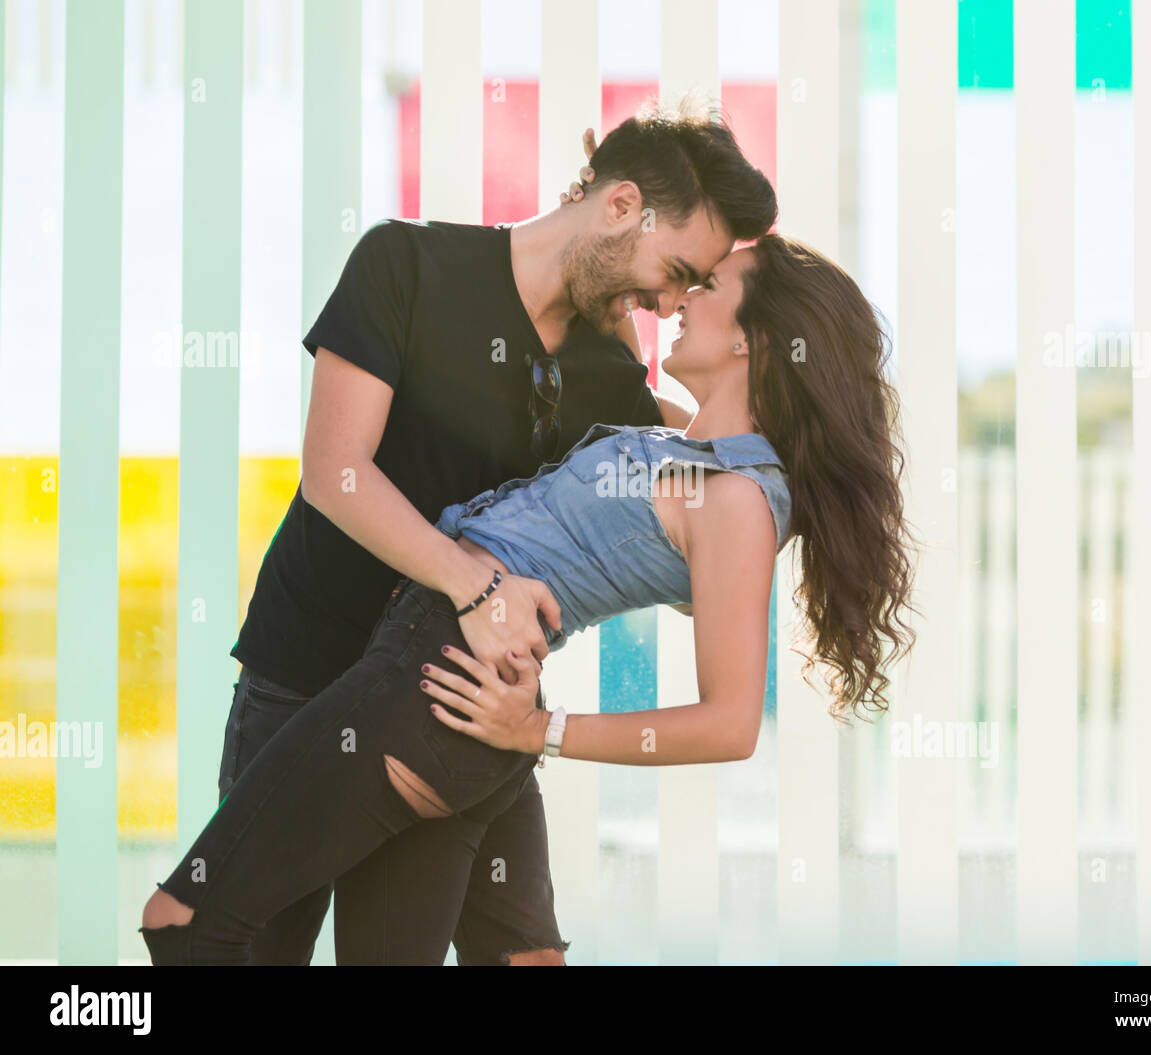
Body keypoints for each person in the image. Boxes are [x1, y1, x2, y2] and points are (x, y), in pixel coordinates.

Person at [139, 232, 920, 965]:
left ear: (751, 337)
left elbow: (731, 722)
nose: (681, 298)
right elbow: (626, 395)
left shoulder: (738, 500)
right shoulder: (690, 453)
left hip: (437, 679)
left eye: (707, 286)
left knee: (188, 916)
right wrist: (618, 254)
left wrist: (542, 730)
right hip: (460, 684)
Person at [213, 102, 778, 965]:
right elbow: (337, 472)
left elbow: (701, 513)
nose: (670, 305)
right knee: (248, 946)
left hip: (466, 707)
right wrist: (474, 587)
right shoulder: (406, 264)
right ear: (621, 206)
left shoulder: (607, 370)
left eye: (693, 290)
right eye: (675, 272)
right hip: (306, 678)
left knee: (527, 956)